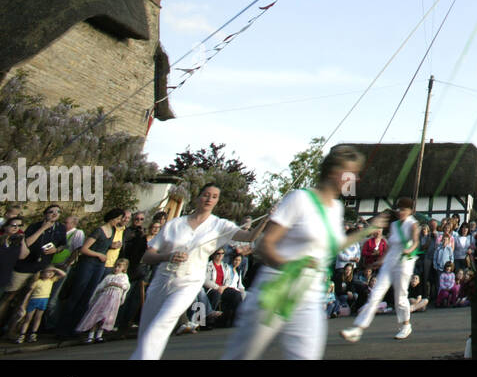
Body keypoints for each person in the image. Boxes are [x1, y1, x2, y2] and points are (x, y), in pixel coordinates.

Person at [224, 146, 385, 360]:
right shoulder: (299, 199)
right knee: (241, 355)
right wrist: (290, 265)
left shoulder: (336, 208)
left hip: (309, 295)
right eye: (350, 173)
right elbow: (266, 244)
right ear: (332, 172)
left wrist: (367, 230)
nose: (354, 179)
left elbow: (333, 247)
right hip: (277, 288)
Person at [132, 188, 262, 359]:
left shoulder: (220, 225)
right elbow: (147, 256)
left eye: (214, 197)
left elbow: (250, 236)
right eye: (206, 195)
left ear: (217, 201)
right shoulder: (174, 224)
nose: (209, 199)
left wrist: (268, 219)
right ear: (198, 197)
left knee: (162, 323)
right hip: (162, 280)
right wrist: (168, 256)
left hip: (189, 281)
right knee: (146, 331)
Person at [340, 196, 421, 343]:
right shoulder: (395, 225)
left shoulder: (413, 224)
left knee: (400, 296)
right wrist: (380, 261)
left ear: (410, 211)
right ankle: (358, 329)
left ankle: (406, 325)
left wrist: (409, 249)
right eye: (399, 209)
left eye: (403, 209)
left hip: (404, 262)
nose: (400, 212)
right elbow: (390, 245)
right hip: (390, 261)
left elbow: (415, 242)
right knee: (375, 294)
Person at [55, 208, 126, 338]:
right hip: (88, 264)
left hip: (99, 265)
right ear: (113, 218)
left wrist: (112, 246)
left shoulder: (114, 230)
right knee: (77, 293)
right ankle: (62, 328)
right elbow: (84, 249)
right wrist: (99, 254)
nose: (120, 221)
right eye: (119, 218)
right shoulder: (99, 230)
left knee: (87, 296)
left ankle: (76, 327)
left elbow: (103, 245)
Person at [76, 257, 131, 343]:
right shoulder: (109, 277)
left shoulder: (124, 277)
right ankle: (91, 336)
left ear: (124, 268)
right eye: (116, 266)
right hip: (104, 298)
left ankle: (99, 335)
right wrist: (103, 289)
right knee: (96, 315)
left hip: (113, 300)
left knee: (105, 317)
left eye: (119, 267)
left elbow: (126, 286)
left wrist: (118, 285)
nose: (116, 268)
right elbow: (100, 287)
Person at [13, 264, 65, 343]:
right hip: (34, 300)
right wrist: (23, 304)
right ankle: (22, 335)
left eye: (52, 272)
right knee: (28, 319)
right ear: (42, 273)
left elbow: (63, 274)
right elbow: (29, 294)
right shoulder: (37, 282)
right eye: (48, 272)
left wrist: (54, 269)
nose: (51, 273)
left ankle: (33, 334)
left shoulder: (51, 281)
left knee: (38, 318)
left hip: (44, 300)